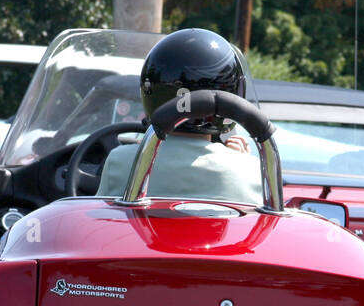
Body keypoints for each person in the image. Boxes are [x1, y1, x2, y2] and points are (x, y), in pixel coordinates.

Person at [96, 28, 262, 205]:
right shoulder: (248, 169)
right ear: (232, 97)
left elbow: (96, 217)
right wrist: (238, 159)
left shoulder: (121, 160)